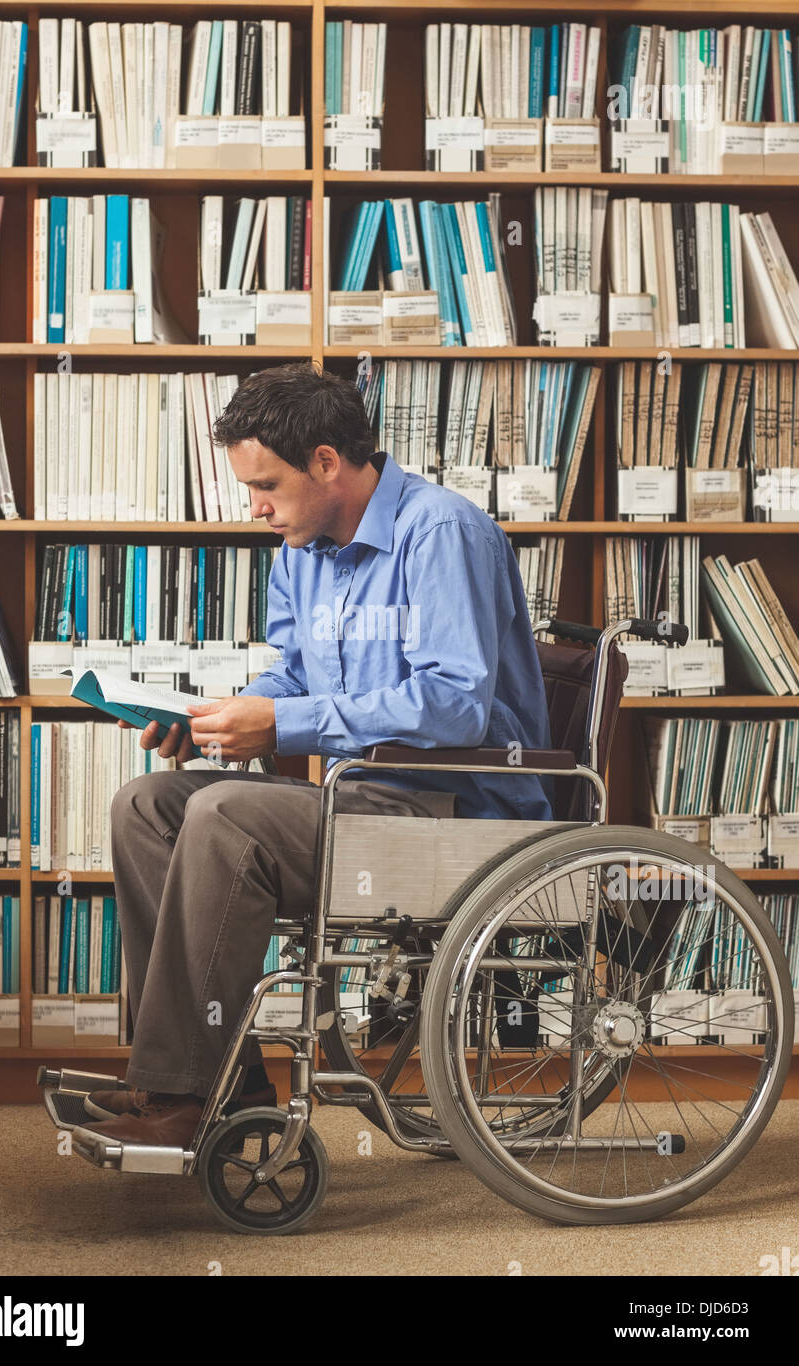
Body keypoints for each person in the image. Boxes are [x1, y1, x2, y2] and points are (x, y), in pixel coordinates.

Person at [84, 363, 553, 1147]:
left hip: (457, 812)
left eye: (266, 485)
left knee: (226, 813)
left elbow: (455, 705)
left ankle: (184, 1093)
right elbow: (292, 673)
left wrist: (286, 725)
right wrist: (215, 719)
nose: (257, 509)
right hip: (367, 801)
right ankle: (208, 1077)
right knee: (147, 805)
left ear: (327, 462)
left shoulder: (441, 532)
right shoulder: (303, 545)